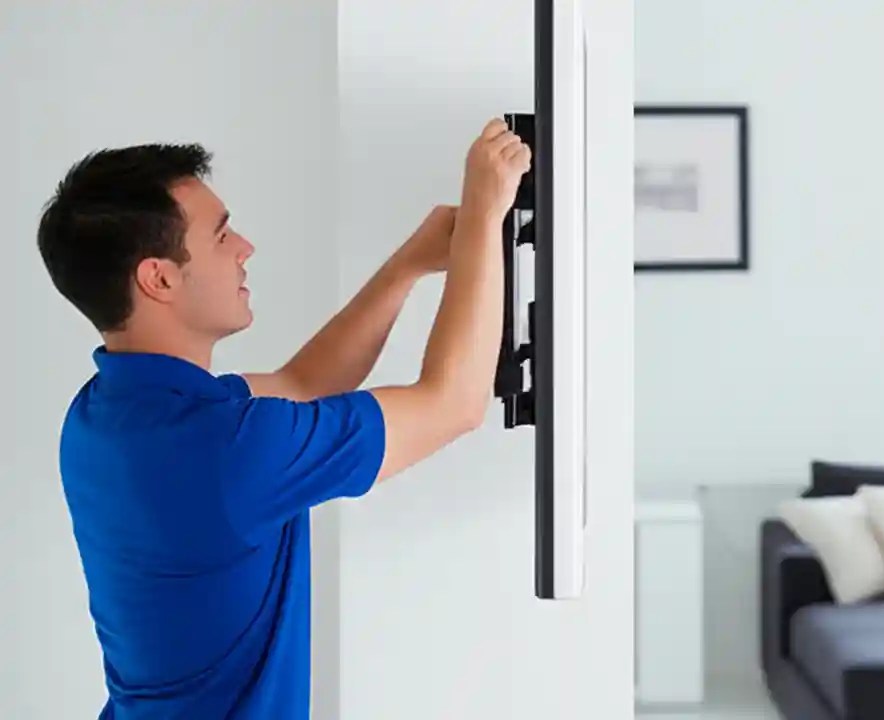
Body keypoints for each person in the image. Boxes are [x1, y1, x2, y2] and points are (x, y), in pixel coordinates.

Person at [36, 118, 530, 719]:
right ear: (159, 277)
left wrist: (408, 265)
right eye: (221, 237)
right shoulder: (228, 452)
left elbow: (303, 385)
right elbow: (453, 404)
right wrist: (484, 211)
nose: (244, 247)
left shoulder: (100, 418)